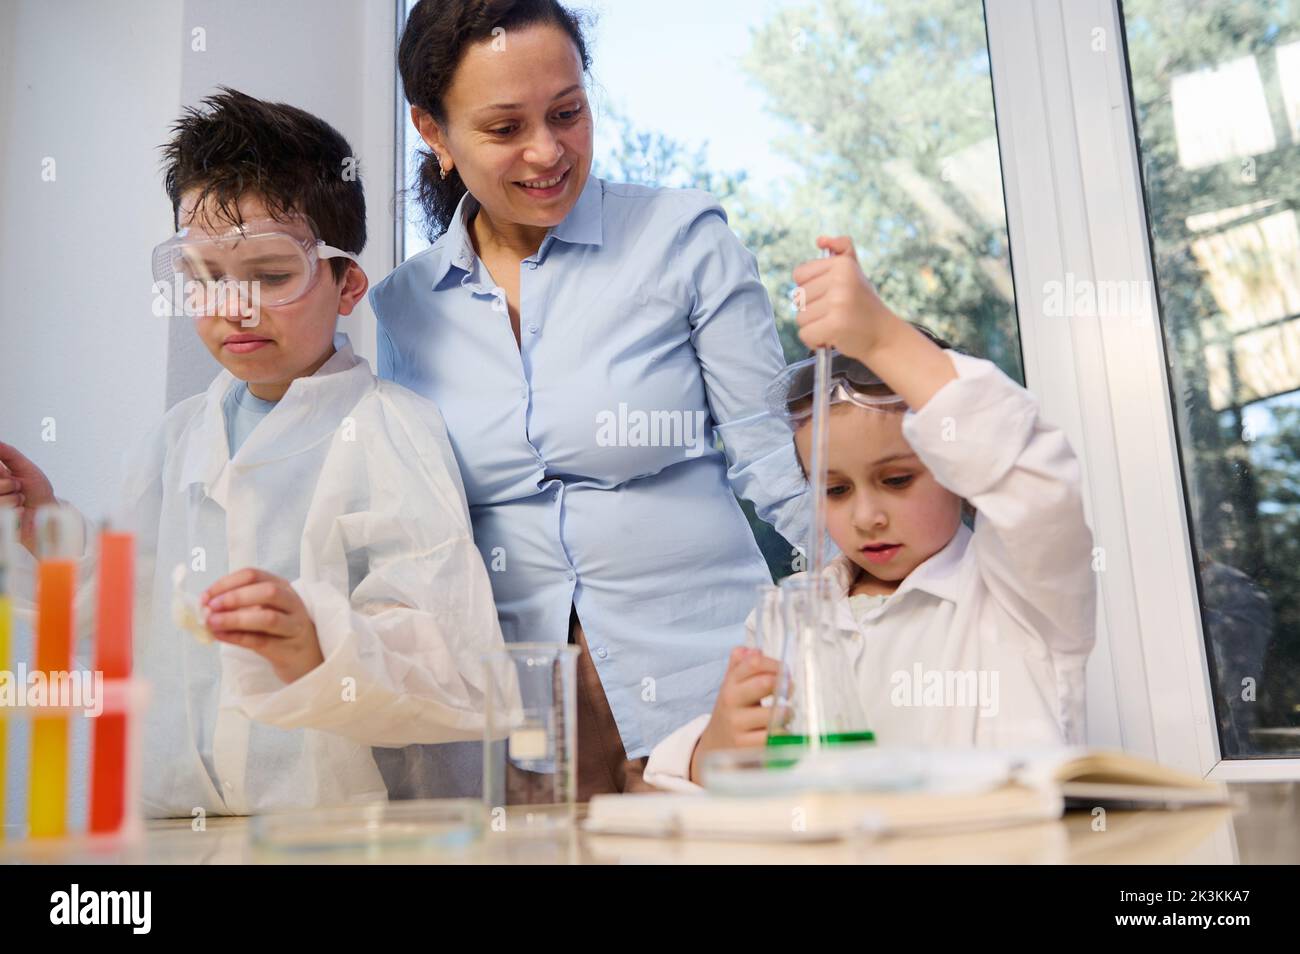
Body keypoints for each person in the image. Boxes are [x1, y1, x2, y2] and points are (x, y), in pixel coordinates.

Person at [0, 88, 504, 816]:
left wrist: (320, 645)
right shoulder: (175, 439)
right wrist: (43, 529)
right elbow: (123, 615)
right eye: (205, 278)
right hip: (178, 820)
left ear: (347, 284)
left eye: (271, 276)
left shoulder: (395, 431)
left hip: (344, 834)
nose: (234, 307)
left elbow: (451, 663)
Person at [371, 0, 815, 797]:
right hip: (519, 727)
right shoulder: (405, 308)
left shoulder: (683, 240)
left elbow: (771, 454)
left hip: (710, 697)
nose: (548, 151)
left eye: (568, 113)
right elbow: (419, 526)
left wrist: (891, 595)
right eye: (505, 129)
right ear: (433, 132)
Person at [644, 236, 1098, 789]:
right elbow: (731, 802)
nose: (866, 517)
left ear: (954, 461)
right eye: (833, 490)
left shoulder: (1019, 594)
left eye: (897, 479)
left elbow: (1036, 481)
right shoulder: (789, 617)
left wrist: (883, 339)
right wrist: (712, 752)